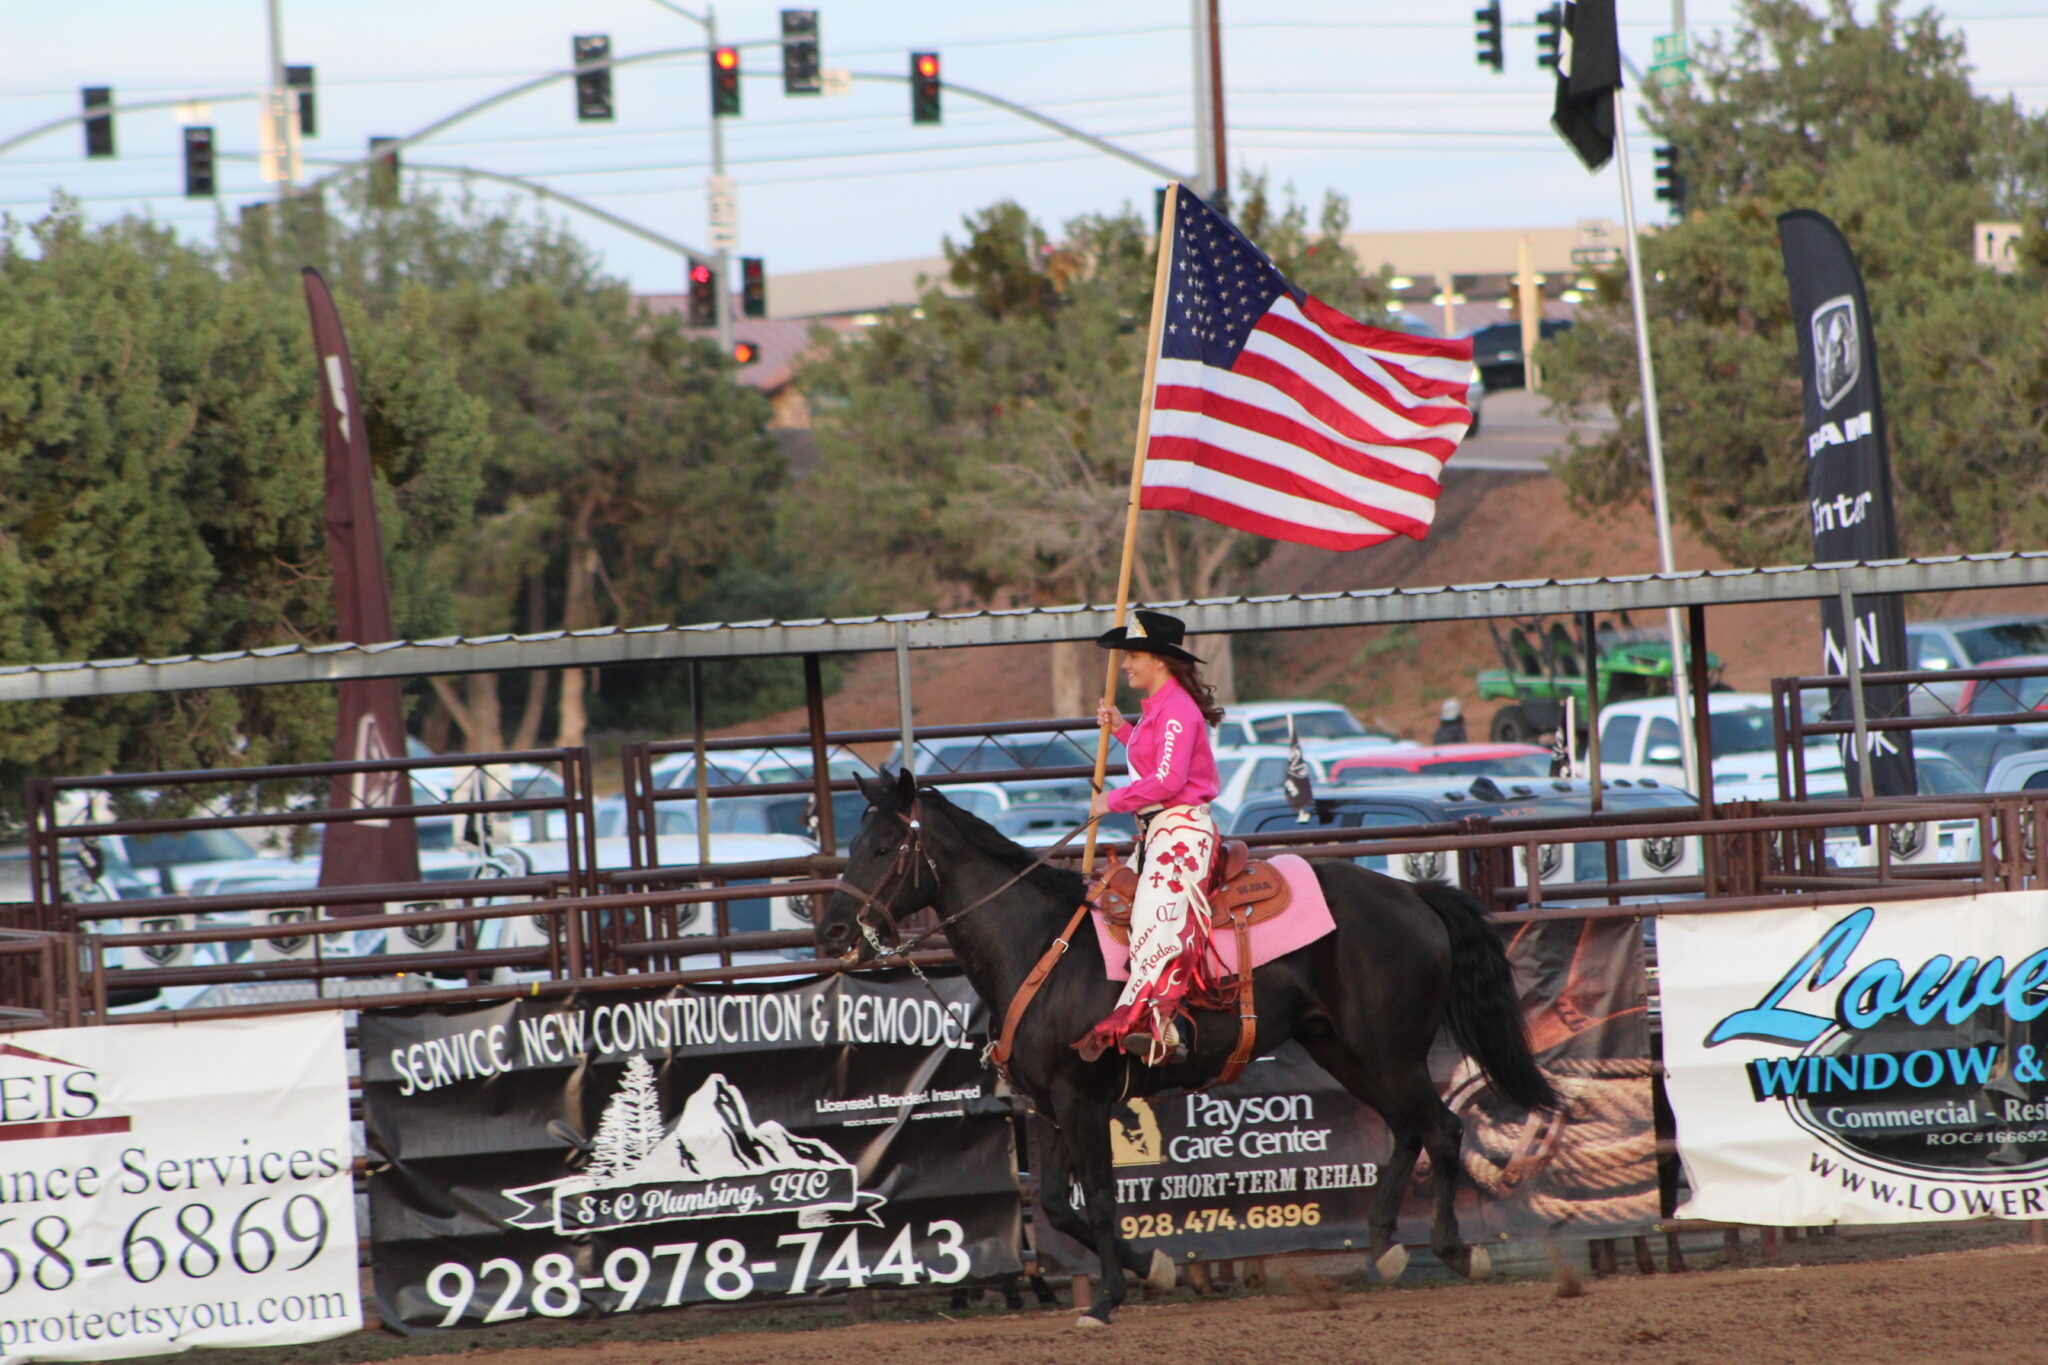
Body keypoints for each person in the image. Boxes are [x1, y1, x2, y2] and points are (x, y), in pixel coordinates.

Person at [1076, 609, 1224, 1067]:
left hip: (1182, 832)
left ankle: (1162, 1026)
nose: (1125, 665)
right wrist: (1121, 728)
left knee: (1156, 920)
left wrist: (1111, 801)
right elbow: (1151, 754)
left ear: (1160, 661)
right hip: (1160, 832)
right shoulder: (1161, 708)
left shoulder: (1176, 710)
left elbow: (1166, 780)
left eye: (1133, 656)